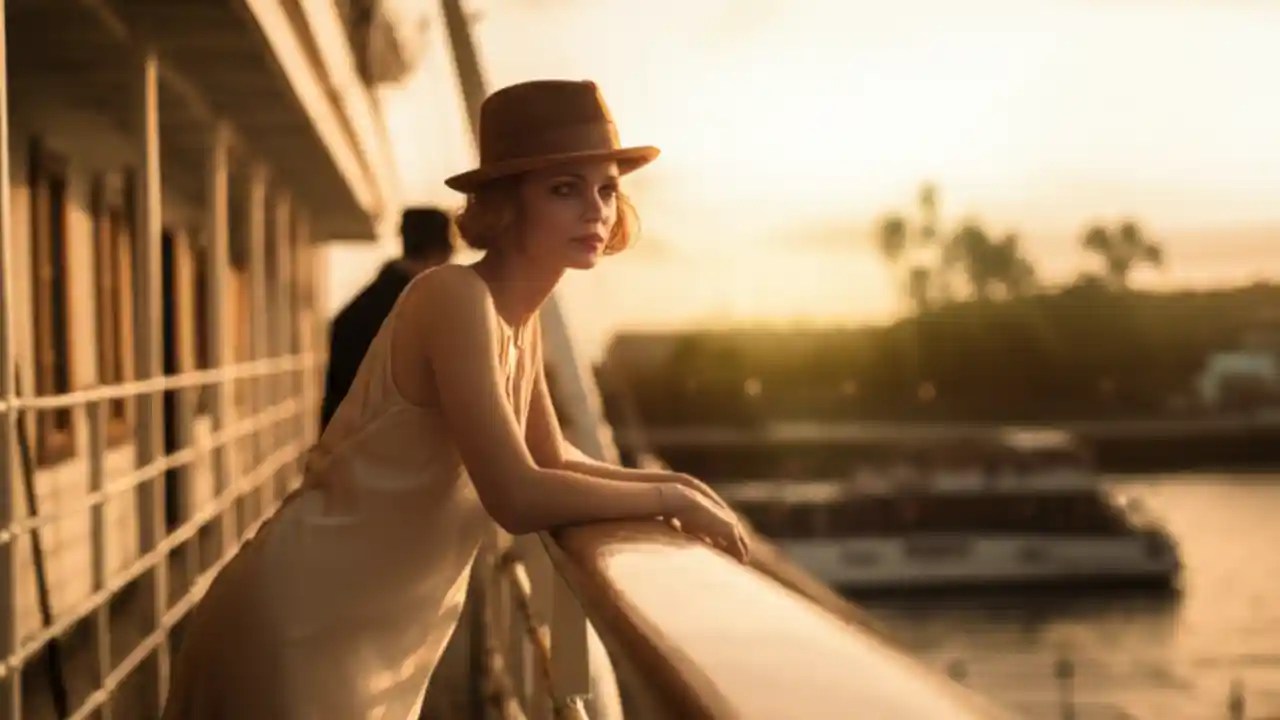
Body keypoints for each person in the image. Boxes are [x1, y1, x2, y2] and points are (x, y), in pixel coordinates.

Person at [161, 79, 749, 720]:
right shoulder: (452, 297)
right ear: (506, 202)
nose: (595, 210)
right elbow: (517, 494)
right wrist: (666, 500)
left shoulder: (517, 316)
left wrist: (678, 486)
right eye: (564, 189)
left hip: (379, 635)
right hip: (307, 620)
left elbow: (553, 457)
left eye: (606, 189)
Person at [320, 207, 453, 430]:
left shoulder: (367, 305)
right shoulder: (414, 309)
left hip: (351, 440)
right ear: (439, 255)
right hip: (384, 441)